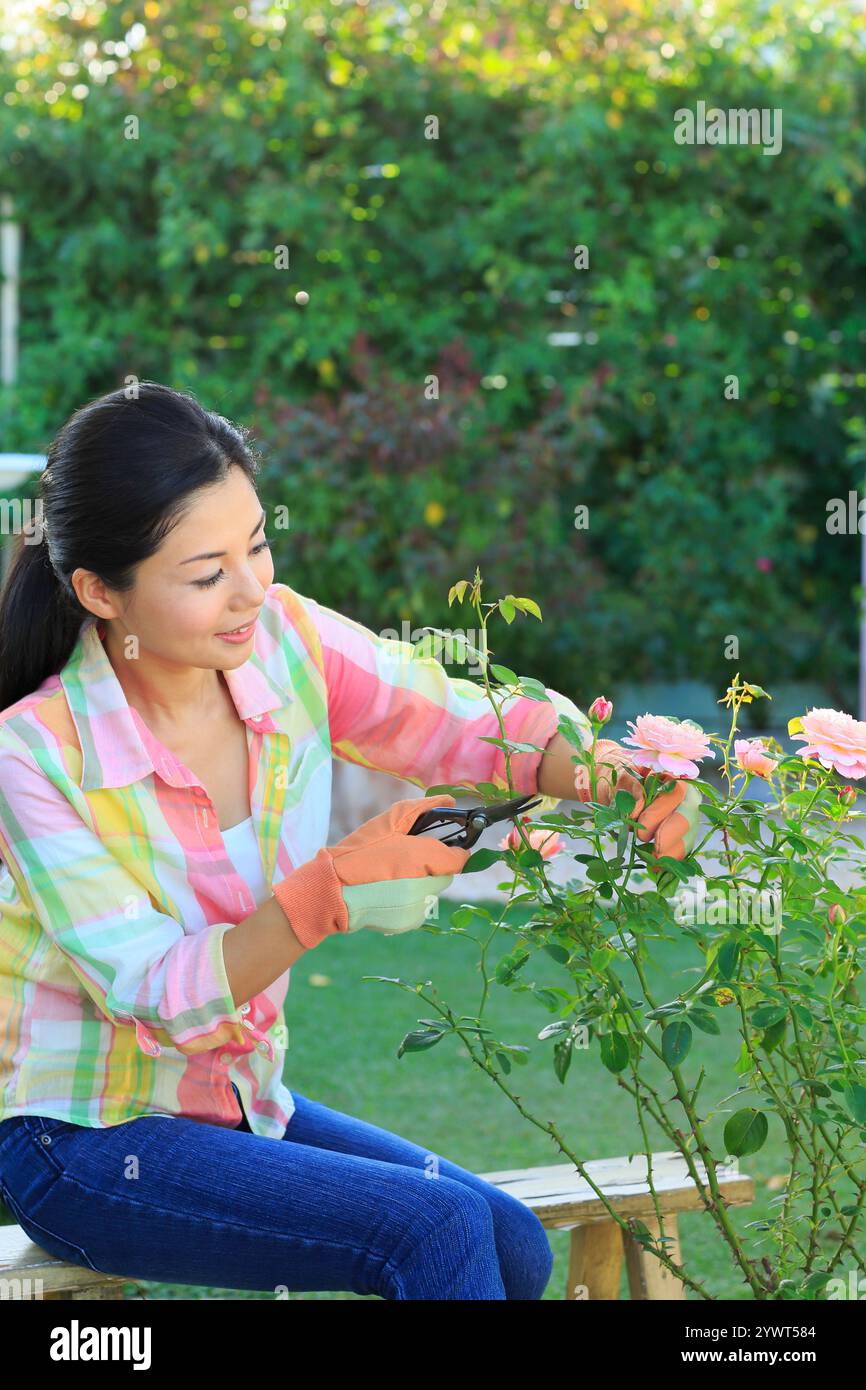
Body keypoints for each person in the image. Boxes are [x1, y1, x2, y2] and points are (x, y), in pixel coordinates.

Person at [0, 382, 698, 1300]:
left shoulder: (285, 641)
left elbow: (462, 722)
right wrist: (329, 891)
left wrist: (603, 774)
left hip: (235, 1104)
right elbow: (157, 995)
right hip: (81, 1139)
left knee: (511, 1243)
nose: (251, 589)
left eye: (256, 544)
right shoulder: (34, 754)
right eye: (207, 573)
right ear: (100, 591)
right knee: (435, 1230)